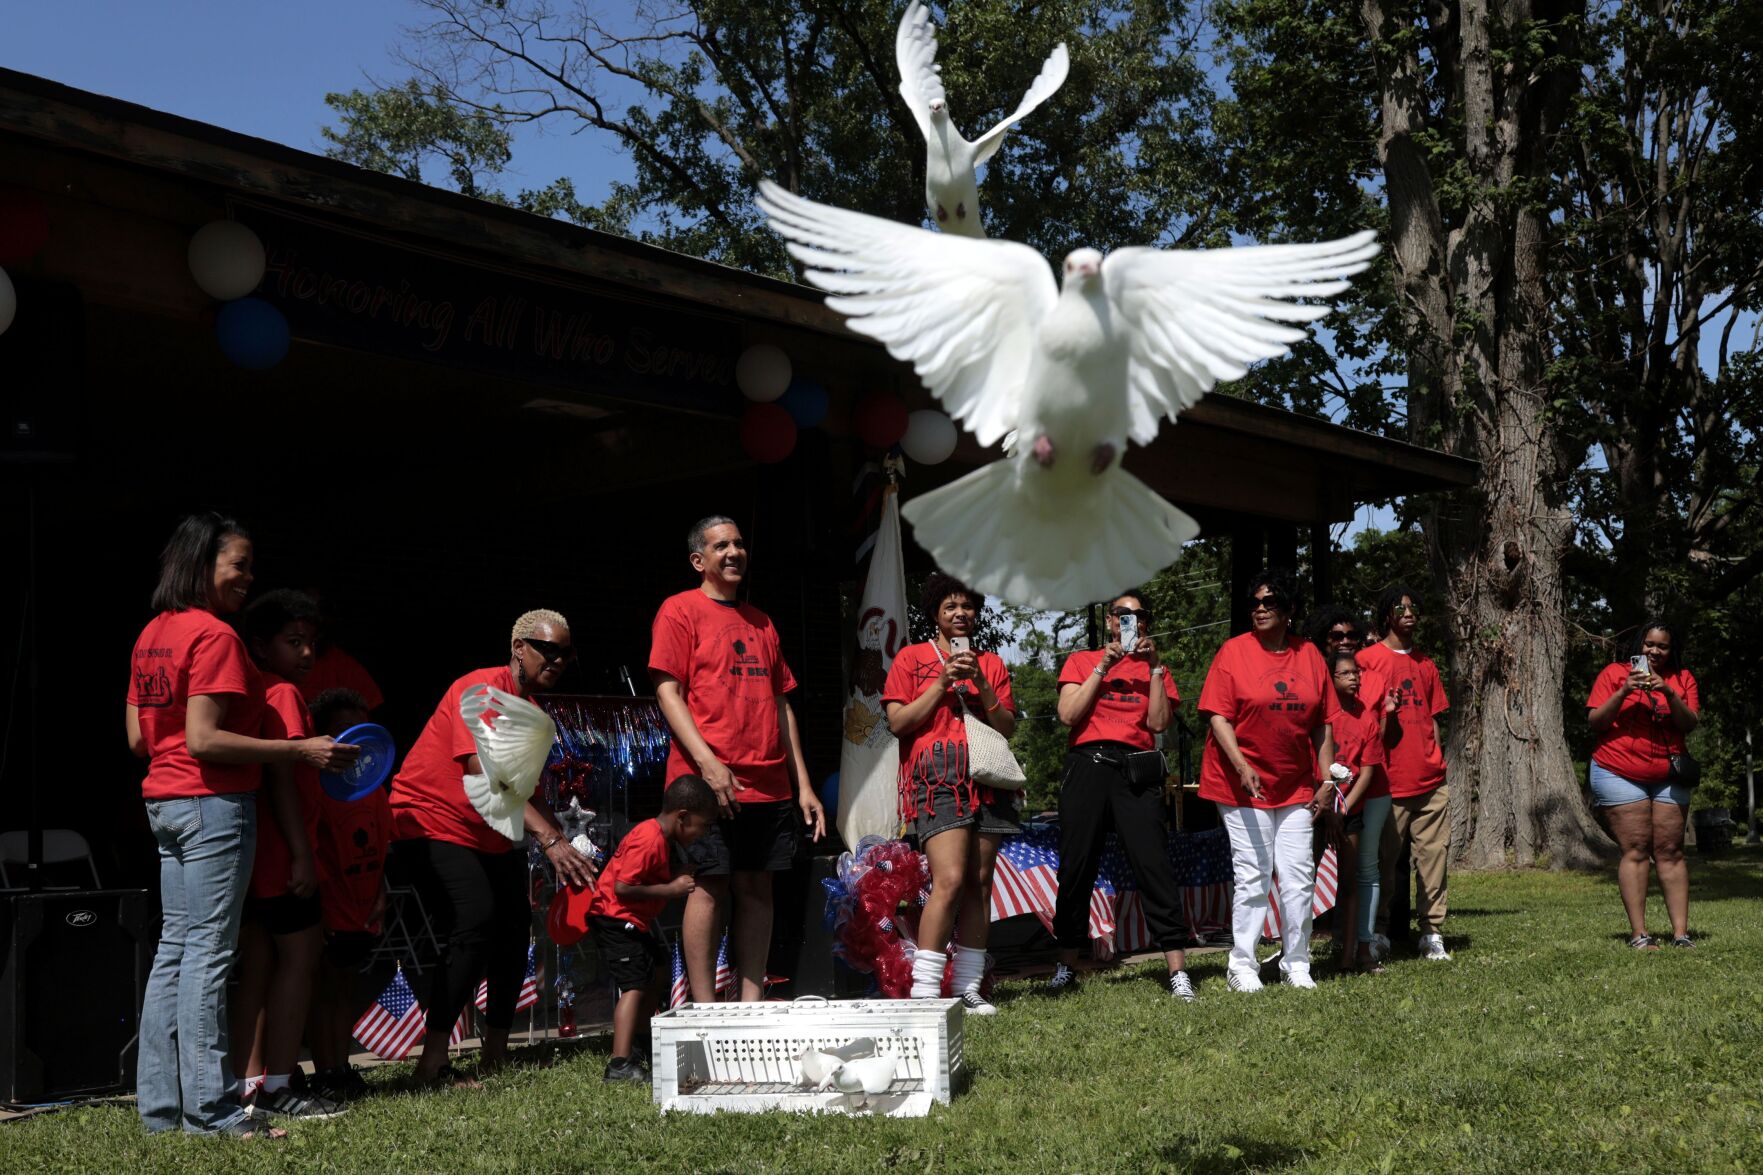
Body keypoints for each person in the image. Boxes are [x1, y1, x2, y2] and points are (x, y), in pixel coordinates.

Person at [125, 513, 356, 1138]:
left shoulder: (153, 633)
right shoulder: (214, 636)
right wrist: (299, 751)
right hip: (211, 805)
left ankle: (160, 1114)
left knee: (174, 954)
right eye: (240, 565)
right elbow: (203, 739)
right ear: (203, 565)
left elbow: (138, 739)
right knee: (206, 956)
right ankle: (214, 1113)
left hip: (164, 803)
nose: (248, 578)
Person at [387, 610, 596, 1087]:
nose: (558, 659)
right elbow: (486, 778)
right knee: (475, 921)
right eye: (548, 649)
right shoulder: (480, 690)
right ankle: (432, 1061)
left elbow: (525, 790)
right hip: (430, 819)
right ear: (518, 646)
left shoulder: (536, 715)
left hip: (491, 830)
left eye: (566, 652)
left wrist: (557, 841)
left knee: (513, 926)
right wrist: (550, 839)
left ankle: (495, 1055)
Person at [650, 516, 826, 1004]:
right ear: (698, 560)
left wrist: (804, 785)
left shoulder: (763, 621)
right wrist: (707, 764)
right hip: (705, 783)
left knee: (757, 890)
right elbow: (668, 691)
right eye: (721, 544)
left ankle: (751, 1004)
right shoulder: (679, 610)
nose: (733, 552)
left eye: (739, 543)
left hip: (768, 783)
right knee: (709, 887)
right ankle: (705, 1009)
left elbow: (781, 703)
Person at [1046, 591, 1195, 1002]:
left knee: (1153, 864)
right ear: (1111, 621)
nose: (1132, 621)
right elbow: (1068, 715)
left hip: (1136, 768)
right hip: (1088, 764)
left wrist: (1155, 669)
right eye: (1123, 615)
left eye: (1139, 615)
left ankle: (1178, 971)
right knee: (1077, 866)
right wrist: (1103, 665)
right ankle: (1065, 965)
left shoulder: (1155, 668)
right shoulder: (1081, 660)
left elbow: (1160, 722)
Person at [882, 572, 1020, 1013]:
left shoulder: (992, 664)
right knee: (950, 879)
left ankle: (967, 986)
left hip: (987, 777)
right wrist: (941, 683)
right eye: (950, 607)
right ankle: (925, 989)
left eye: (967, 607)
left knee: (981, 883)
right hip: (937, 777)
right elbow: (899, 723)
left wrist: (980, 682)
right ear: (936, 615)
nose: (960, 614)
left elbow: (1007, 728)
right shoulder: (911, 658)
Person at [230, 590, 343, 1120]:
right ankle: (279, 1086)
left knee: (259, 963)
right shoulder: (284, 697)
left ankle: (250, 1082)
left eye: (311, 644)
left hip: (255, 856)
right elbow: (282, 777)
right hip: (282, 855)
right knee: (299, 960)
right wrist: (302, 853)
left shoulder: (258, 691)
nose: (305, 654)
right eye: (293, 642)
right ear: (260, 645)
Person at [1196, 569, 1336, 992]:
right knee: (1253, 873)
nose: (1259, 609)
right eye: (1254, 602)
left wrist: (1327, 779)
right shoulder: (1234, 652)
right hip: (1239, 784)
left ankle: (1297, 963)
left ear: (1289, 610)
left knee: (1297, 874)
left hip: (1294, 785)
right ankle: (1242, 965)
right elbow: (1218, 715)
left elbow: (1323, 725)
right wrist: (1241, 764)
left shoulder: (1309, 654)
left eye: (1269, 602)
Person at [586, 775, 718, 1083]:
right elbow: (623, 888)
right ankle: (619, 1063)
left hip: (632, 918)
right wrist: (672, 889)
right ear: (682, 817)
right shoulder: (648, 837)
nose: (704, 833)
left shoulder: (661, 839)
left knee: (657, 969)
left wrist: (675, 873)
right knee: (634, 984)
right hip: (614, 916)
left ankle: (641, 1043)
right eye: (703, 825)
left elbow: (644, 878)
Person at [1586, 621, 1700, 949]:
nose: (1654, 651)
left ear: (1671, 650)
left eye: (1662, 646)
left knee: (1670, 851)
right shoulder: (1613, 674)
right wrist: (1624, 690)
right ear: (1640, 644)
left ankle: (1681, 934)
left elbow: (1689, 722)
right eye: (1649, 644)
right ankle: (1639, 935)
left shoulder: (1683, 678)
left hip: (1669, 774)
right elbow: (1596, 721)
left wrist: (1668, 692)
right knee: (1635, 849)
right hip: (1618, 769)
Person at [305, 687, 392, 1101]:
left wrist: (382, 895)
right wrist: (318, 912)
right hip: (330, 910)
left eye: (362, 731)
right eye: (342, 732)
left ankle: (340, 1066)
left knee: (345, 993)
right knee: (325, 994)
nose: (352, 742)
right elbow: (312, 853)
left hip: (363, 910)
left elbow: (385, 847)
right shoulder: (318, 791)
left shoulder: (374, 788)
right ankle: (324, 1071)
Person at [1359, 584, 1453, 962]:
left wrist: (1437, 760)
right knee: (1383, 861)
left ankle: (1431, 933)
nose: (1409, 612)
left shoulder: (1426, 663)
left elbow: (1432, 719)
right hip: (1388, 781)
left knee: (1434, 859)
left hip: (1431, 781)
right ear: (1387, 615)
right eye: (1401, 607)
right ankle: (1377, 933)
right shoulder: (1367, 660)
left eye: (1414, 606)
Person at [1322, 649, 1397, 974]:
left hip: (1348, 809)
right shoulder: (1320, 715)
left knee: (1350, 881)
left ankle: (1351, 958)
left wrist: (1343, 808)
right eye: (1347, 673)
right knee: (1302, 881)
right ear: (1331, 678)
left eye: (1357, 673)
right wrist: (1325, 803)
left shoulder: (1366, 717)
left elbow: (1367, 772)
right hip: (1317, 806)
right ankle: (1293, 957)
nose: (1355, 678)